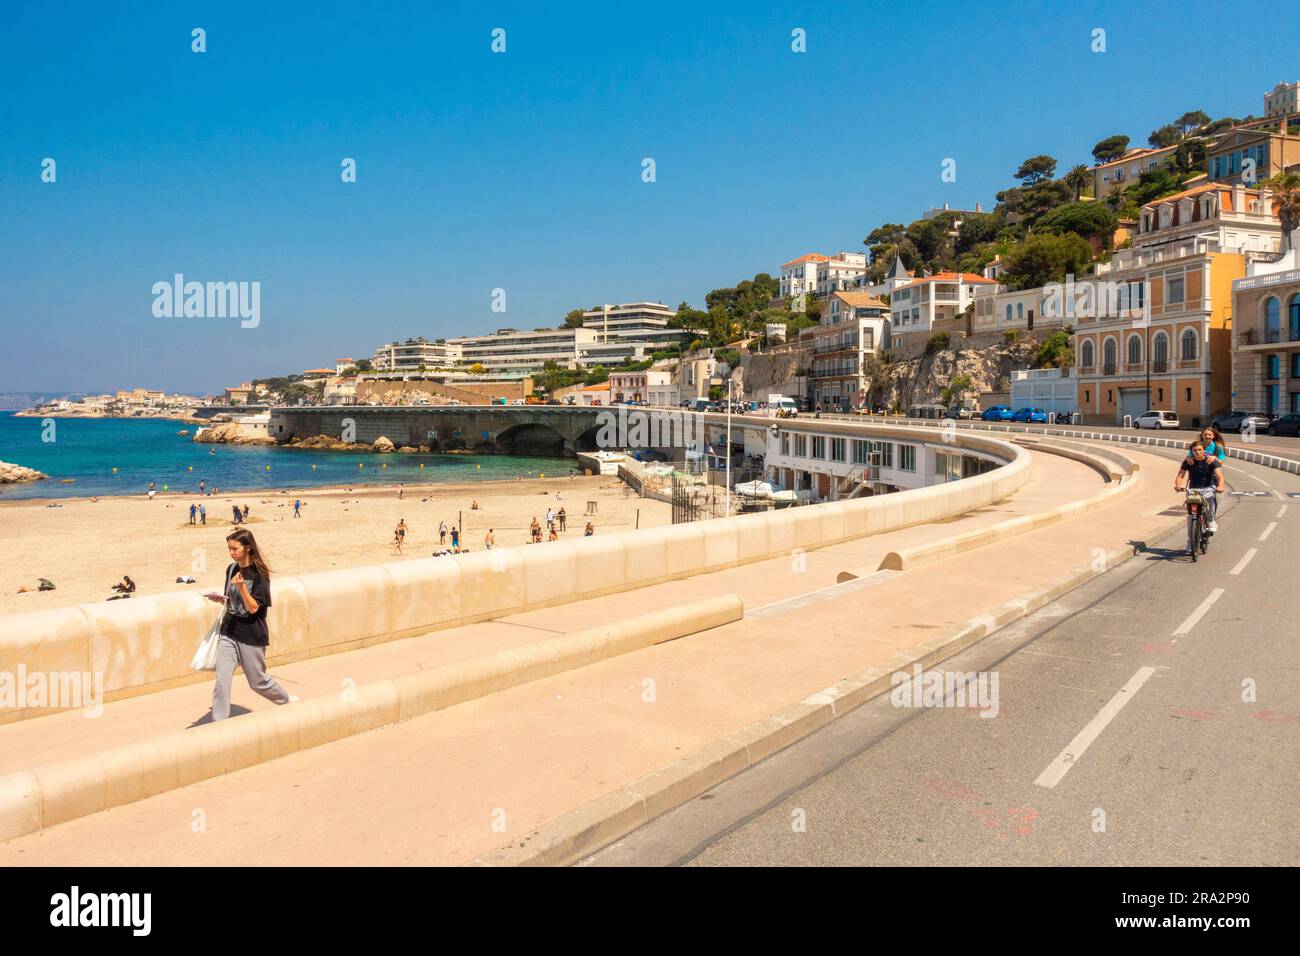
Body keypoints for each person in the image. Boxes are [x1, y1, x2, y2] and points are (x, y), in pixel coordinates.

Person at [203, 529, 297, 721]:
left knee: (257, 681)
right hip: (229, 631)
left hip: (251, 635)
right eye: (229, 549)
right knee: (222, 680)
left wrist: (242, 587)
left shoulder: (259, 574)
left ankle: (285, 700)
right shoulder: (231, 569)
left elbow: (254, 608)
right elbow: (232, 601)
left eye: (234, 548)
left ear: (247, 548)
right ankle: (219, 723)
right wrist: (220, 600)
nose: (231, 553)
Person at [1174, 440, 1226, 535]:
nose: (1197, 452)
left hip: (1208, 487)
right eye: (1195, 450)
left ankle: (1210, 521)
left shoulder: (1211, 460)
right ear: (1192, 451)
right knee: (1191, 515)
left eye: (1200, 449)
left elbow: (1219, 476)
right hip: (1193, 489)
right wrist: (1178, 485)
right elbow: (1180, 475)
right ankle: (1190, 542)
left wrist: (1220, 486)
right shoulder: (1188, 461)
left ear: (1204, 450)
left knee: (1208, 499)